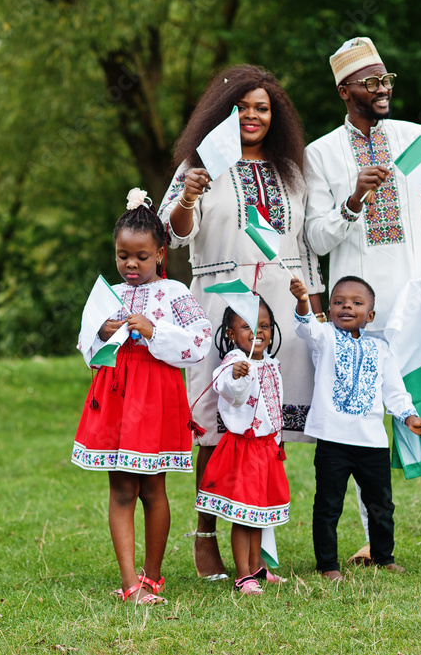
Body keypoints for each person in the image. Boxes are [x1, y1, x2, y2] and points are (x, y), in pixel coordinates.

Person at [304, 37, 421, 572]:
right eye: (371, 82)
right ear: (346, 91)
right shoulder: (321, 154)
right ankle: (371, 541)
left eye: (386, 80)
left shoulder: (414, 138)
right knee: (362, 426)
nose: (382, 89)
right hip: (357, 320)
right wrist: (353, 200)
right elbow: (316, 238)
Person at [159, 64, 325, 580]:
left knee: (267, 427)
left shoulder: (294, 170)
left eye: (263, 108)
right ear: (223, 112)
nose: (252, 116)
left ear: (275, 117)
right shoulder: (201, 161)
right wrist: (189, 194)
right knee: (215, 428)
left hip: (282, 303)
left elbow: (304, 248)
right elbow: (174, 231)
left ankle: (259, 543)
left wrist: (312, 313)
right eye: (242, 107)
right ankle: (206, 535)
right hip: (220, 304)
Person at [72, 189, 213, 605]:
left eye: (141, 257)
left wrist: (155, 332)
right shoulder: (107, 296)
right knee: (121, 488)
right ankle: (129, 582)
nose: (131, 265)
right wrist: (100, 332)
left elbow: (201, 340)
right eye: (122, 256)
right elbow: (87, 347)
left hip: (157, 396)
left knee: (154, 487)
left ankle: (153, 577)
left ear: (160, 253)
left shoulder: (175, 293)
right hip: (116, 395)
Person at [291, 275, 421, 580]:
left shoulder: (380, 349)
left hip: (372, 444)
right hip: (333, 441)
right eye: (339, 302)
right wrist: (303, 300)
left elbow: (394, 391)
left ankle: (384, 557)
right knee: (328, 506)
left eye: (356, 303)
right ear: (329, 310)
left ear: (369, 315)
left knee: (381, 505)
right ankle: (328, 565)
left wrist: (410, 418)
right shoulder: (325, 338)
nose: (346, 307)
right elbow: (306, 327)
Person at [195, 297, 290, 595]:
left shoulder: (271, 364)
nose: (257, 332)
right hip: (244, 449)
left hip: (266, 448)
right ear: (231, 334)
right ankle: (242, 574)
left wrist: (277, 440)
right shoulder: (234, 363)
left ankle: (257, 567)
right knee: (244, 515)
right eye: (248, 326)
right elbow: (229, 391)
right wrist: (237, 376)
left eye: (264, 325)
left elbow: (275, 406)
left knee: (259, 513)